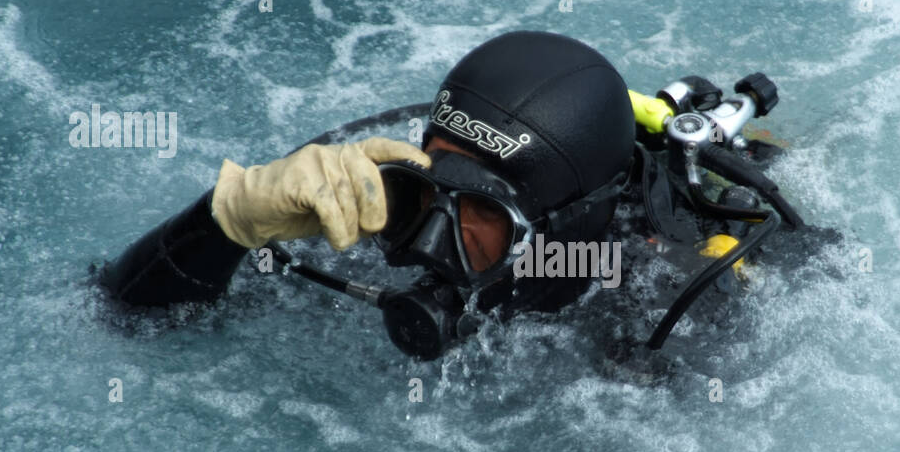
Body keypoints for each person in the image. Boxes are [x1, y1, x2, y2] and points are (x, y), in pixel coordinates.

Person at [98, 31, 637, 356]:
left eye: (480, 211)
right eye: (424, 190)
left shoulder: (641, 304)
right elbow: (124, 320)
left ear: (561, 225)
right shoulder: (363, 213)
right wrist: (228, 220)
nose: (424, 243)